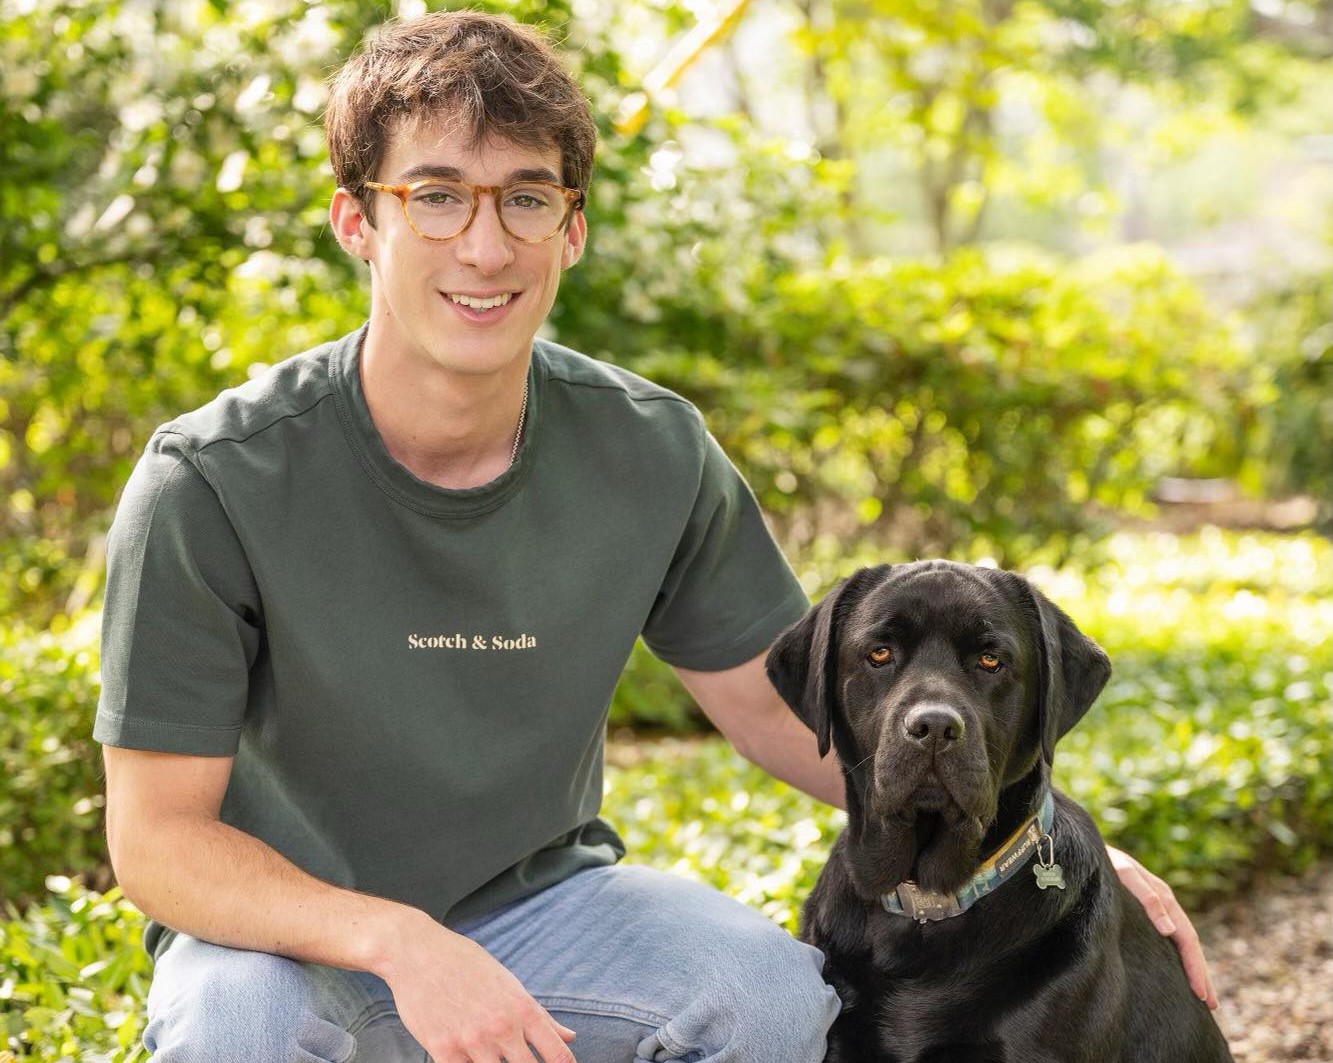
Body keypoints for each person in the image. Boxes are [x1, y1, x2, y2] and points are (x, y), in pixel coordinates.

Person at [94, 11, 1215, 1063]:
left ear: (571, 229)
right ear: (359, 221)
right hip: (285, 944)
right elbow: (156, 845)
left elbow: (810, 718)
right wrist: (397, 938)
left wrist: (1044, 842)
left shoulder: (647, 452)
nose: (484, 247)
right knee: (228, 1019)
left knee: (775, 998)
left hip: (548, 910)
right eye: (436, 196)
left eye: (526, 199)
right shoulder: (213, 478)